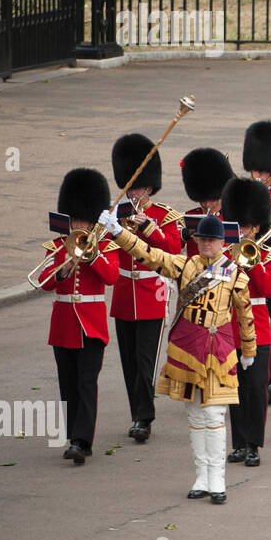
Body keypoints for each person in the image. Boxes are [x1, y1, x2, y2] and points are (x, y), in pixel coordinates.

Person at [100, 208, 255, 505]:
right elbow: (150, 255)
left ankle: (218, 478)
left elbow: (245, 314)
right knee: (195, 414)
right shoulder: (185, 266)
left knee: (214, 415)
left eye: (212, 240)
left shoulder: (234, 272)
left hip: (219, 351)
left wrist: (248, 350)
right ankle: (201, 476)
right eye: (203, 239)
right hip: (187, 348)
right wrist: (119, 233)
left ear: (223, 242)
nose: (207, 244)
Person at [39, 168, 119, 465]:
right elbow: (45, 282)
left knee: (87, 382)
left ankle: (83, 441)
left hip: (92, 324)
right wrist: (63, 270)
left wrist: (92, 254)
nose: (78, 224)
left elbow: (111, 277)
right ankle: (73, 435)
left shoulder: (105, 245)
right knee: (68, 382)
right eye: (75, 219)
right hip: (63, 325)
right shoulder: (58, 247)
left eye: (83, 219)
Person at [109, 134, 182, 445]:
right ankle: (136, 412)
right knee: (128, 361)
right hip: (125, 293)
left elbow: (175, 250)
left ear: (149, 188)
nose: (132, 192)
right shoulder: (115, 213)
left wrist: (148, 227)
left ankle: (144, 417)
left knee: (145, 359)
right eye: (129, 186)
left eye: (137, 186)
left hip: (153, 294)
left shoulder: (165, 215)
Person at [222, 178, 271, 468]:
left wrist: (251, 263)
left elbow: (268, 288)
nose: (241, 231)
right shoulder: (224, 254)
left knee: (256, 389)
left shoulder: (268, 254)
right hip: (230, 328)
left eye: (245, 227)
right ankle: (239, 443)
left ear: (256, 227)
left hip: (258, 329)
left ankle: (254, 444)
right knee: (235, 388)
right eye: (238, 226)